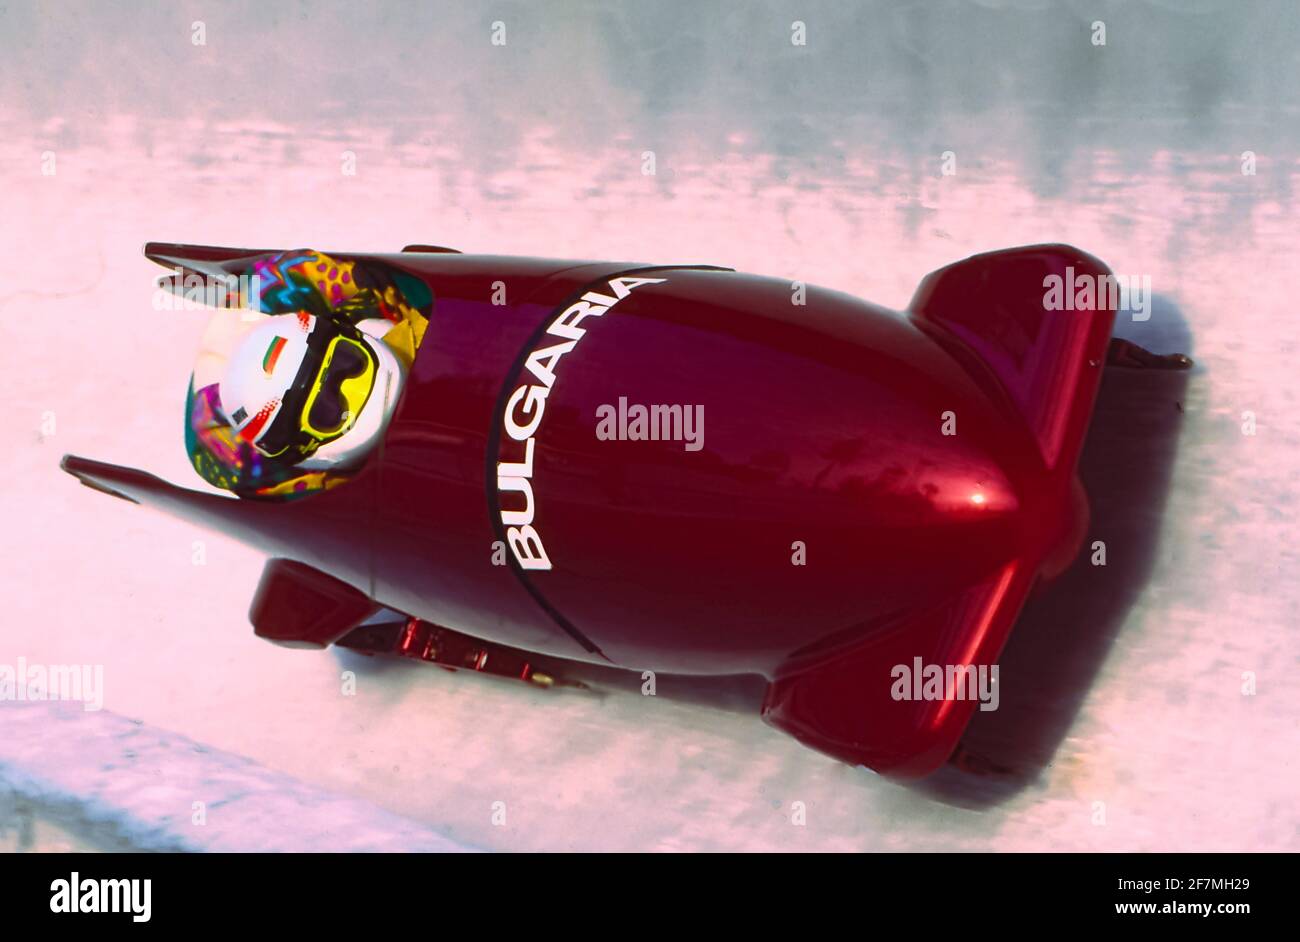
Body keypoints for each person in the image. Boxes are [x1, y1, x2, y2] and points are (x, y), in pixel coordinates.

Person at [185, 249, 430, 499]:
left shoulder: (408, 328)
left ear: (351, 333)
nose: (354, 388)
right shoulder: (251, 467)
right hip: (221, 422)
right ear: (309, 448)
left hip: (269, 299)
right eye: (327, 410)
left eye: (348, 362)